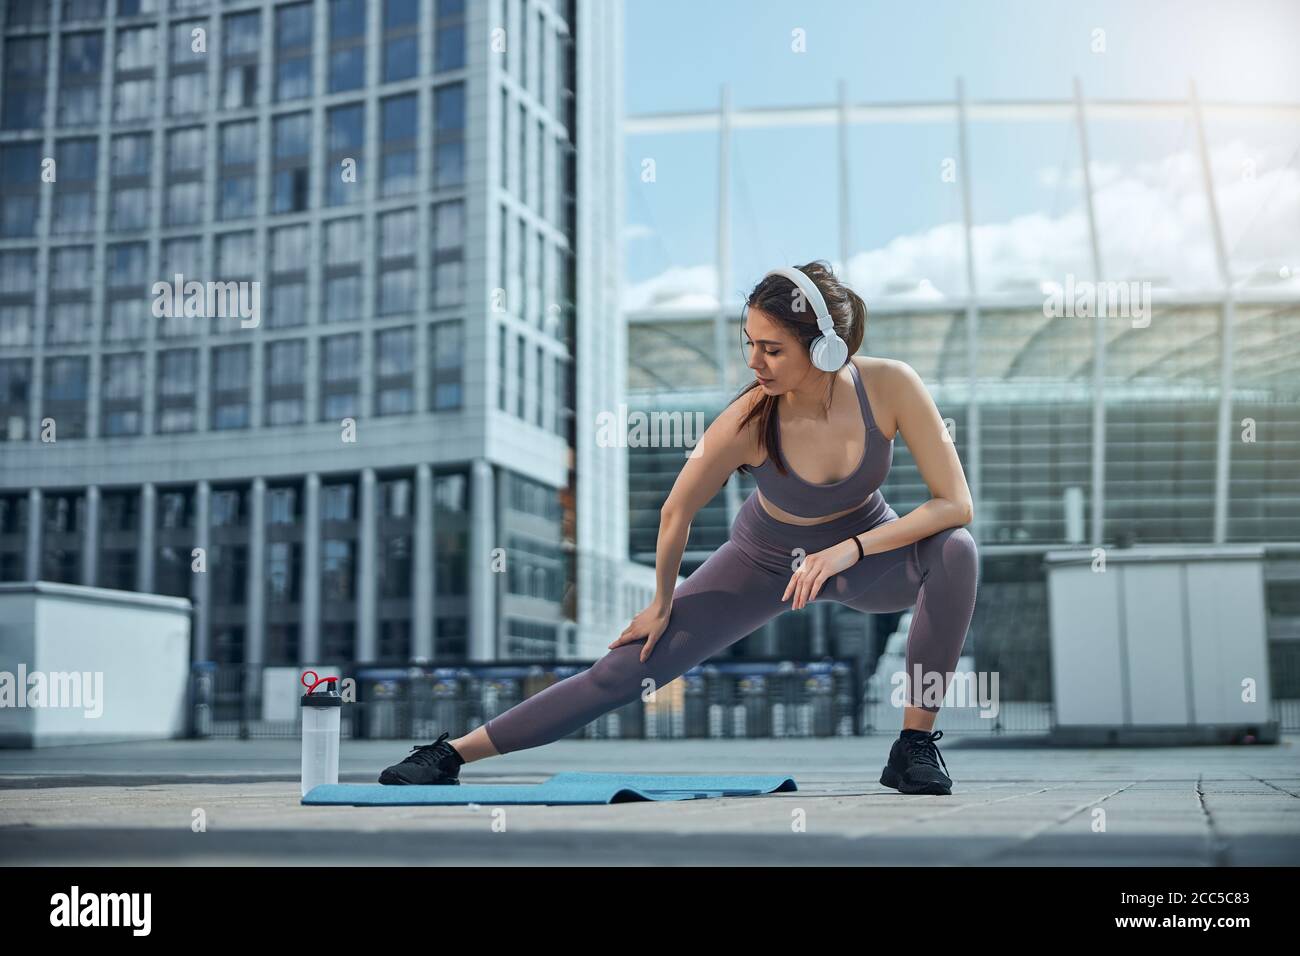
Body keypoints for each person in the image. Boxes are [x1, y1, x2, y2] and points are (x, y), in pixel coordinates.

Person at [379, 260, 979, 795]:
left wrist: (850, 550)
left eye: (771, 348)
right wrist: (662, 603)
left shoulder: (891, 385)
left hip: (867, 560)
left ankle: (913, 747)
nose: (753, 362)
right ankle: (451, 753)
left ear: (823, 347)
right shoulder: (747, 418)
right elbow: (676, 511)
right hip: (762, 560)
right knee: (619, 674)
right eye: (749, 343)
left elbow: (953, 503)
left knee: (957, 551)